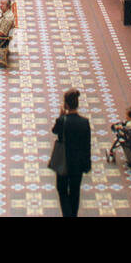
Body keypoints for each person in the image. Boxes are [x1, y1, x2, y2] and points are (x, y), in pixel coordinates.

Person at [51, 88, 92, 217]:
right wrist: (87, 164)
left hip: (64, 161)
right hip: (78, 164)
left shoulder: (62, 121)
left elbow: (55, 131)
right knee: (75, 192)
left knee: (62, 190)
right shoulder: (84, 122)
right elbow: (87, 145)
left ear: (66, 105)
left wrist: (60, 116)